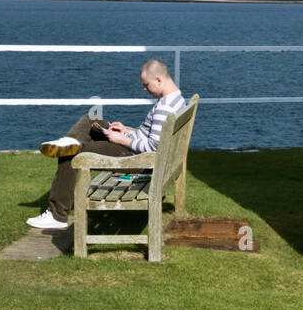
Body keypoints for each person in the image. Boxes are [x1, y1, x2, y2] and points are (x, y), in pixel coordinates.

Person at [26, 58, 187, 231]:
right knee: (92, 119)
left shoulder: (164, 108)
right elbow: (152, 136)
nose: (144, 89)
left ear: (159, 80)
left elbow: (153, 147)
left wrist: (121, 139)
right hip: (136, 149)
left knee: (69, 153)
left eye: (146, 85)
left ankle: (57, 216)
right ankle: (69, 140)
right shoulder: (177, 99)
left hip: (136, 158)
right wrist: (125, 130)